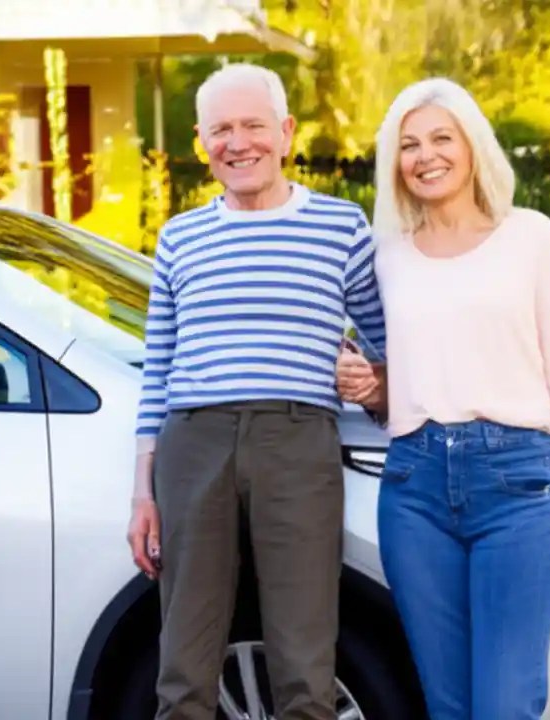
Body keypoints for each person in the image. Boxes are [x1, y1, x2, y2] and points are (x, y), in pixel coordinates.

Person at [125, 63, 387, 720]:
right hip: (194, 441)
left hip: (297, 440)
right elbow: (158, 368)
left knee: (303, 659)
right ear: (200, 141)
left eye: (251, 126)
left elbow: (390, 343)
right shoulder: (180, 237)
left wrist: (374, 385)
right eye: (220, 130)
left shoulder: (341, 227)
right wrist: (142, 493)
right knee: (184, 663)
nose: (236, 143)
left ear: (286, 132)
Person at [334, 77, 550, 720]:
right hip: (414, 490)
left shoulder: (529, 237)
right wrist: (373, 386)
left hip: (518, 487)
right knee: (448, 706)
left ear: (473, 145)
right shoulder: (386, 256)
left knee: (506, 703)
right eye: (409, 144)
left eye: (441, 138)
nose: (426, 155)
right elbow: (412, 375)